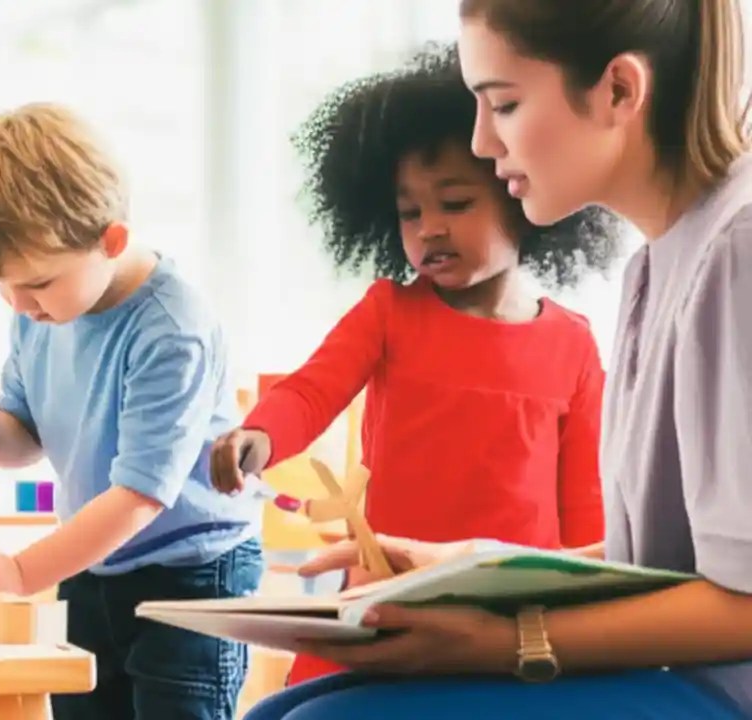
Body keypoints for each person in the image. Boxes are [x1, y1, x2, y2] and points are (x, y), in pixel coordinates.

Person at [244, 0, 752, 717]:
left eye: (503, 104)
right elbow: (670, 563)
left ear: (617, 90)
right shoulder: (658, 265)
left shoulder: (736, 250)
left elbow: (744, 601)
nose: (482, 141)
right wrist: (473, 566)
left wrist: (502, 639)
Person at [209, 42, 619, 687]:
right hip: (384, 600)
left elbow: (585, 509)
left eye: (454, 204)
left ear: (521, 196)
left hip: (504, 619)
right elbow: (312, 391)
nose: (428, 227)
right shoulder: (388, 312)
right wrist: (258, 435)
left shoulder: (574, 344)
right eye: (410, 212)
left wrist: (585, 616)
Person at [0, 102, 263, 720]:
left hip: (193, 576)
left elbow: (141, 495)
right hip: (95, 562)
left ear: (111, 240)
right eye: (2, 286)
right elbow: (24, 431)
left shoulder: (172, 328)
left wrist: (18, 571)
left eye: (34, 283)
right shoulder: (39, 312)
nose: (19, 303)